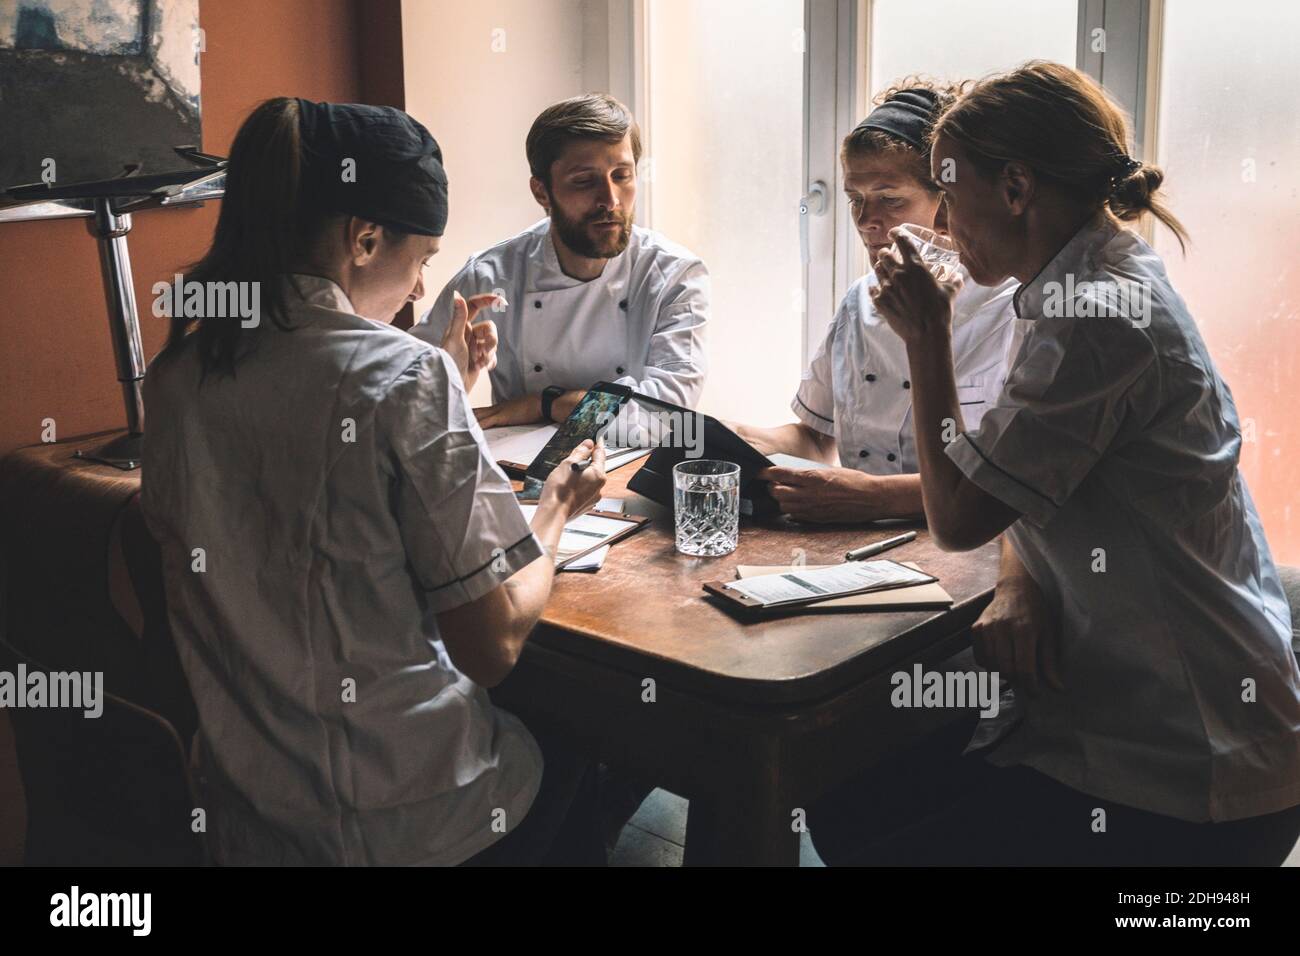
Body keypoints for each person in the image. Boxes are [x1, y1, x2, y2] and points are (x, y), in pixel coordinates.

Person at [812, 61, 1300, 865]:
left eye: (950, 189)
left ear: (1014, 189)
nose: (942, 218)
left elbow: (963, 516)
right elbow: (1038, 479)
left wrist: (926, 338)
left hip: (1191, 766)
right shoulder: (1080, 283)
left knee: (866, 836)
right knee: (844, 809)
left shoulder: (1098, 317)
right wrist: (1024, 578)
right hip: (1116, 718)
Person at [141, 97, 608, 866]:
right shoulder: (403, 377)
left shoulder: (179, 376)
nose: (421, 291)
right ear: (364, 239)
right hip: (410, 822)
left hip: (254, 820)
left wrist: (449, 390)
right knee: (599, 735)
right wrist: (555, 507)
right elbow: (491, 645)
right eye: (422, 261)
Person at [732, 83, 1021, 523]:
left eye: (889, 199)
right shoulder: (859, 302)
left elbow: (1010, 484)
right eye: (855, 200)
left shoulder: (1012, 309)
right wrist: (739, 438)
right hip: (853, 543)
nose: (867, 222)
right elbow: (816, 438)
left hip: (961, 544)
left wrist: (874, 496)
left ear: (948, 201)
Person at [411, 93, 709, 428]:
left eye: (622, 175)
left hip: (631, 468)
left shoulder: (673, 274)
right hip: (519, 471)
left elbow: (669, 417)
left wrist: (544, 404)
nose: (610, 200)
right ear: (541, 192)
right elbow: (407, 383)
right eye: (584, 181)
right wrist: (452, 374)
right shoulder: (491, 275)